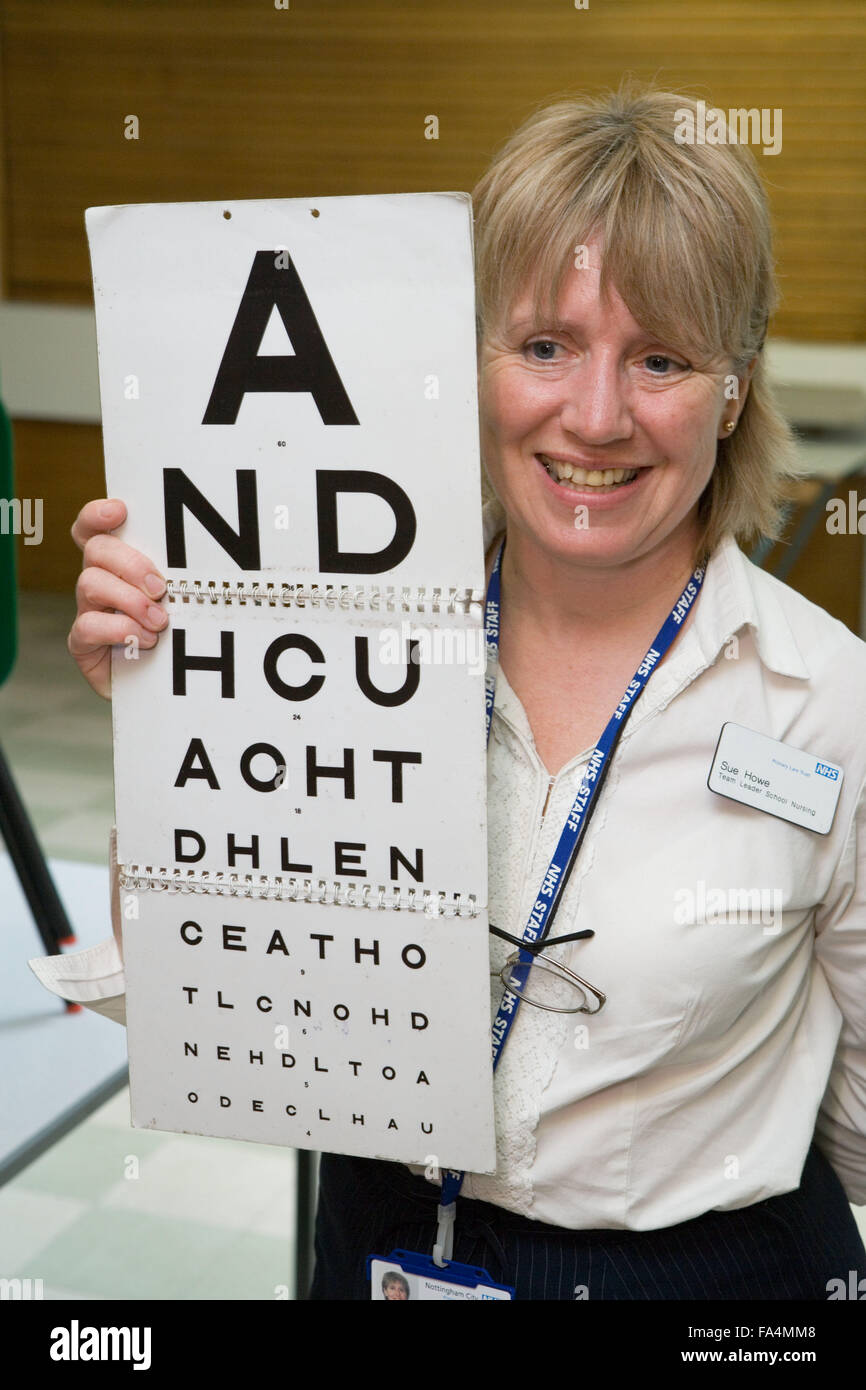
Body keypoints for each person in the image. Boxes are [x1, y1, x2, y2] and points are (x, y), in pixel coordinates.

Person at [62, 84, 866, 1300]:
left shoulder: (828, 703)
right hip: (384, 1250)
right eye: (544, 345)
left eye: (659, 358)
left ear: (736, 386)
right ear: (471, 353)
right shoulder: (326, 639)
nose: (593, 419)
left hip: (713, 1285)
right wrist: (169, 711)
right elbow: (193, 1004)